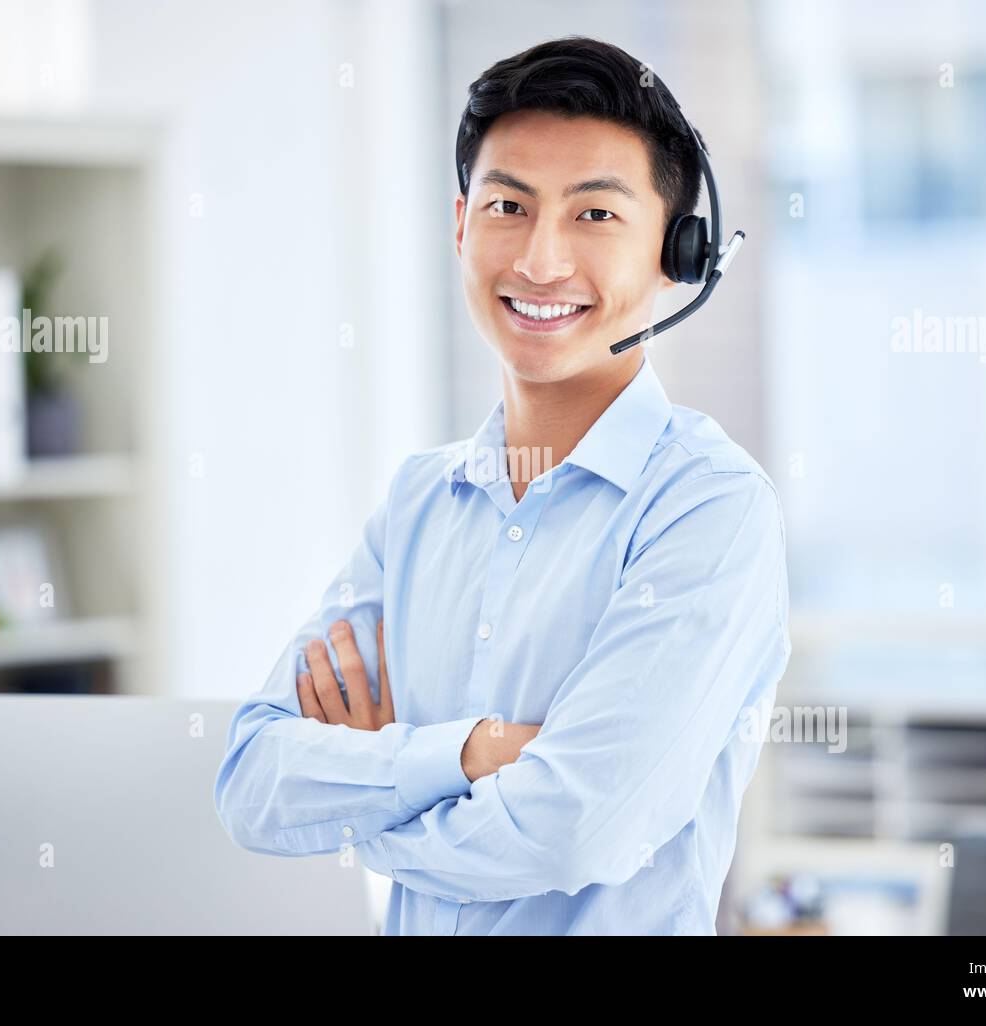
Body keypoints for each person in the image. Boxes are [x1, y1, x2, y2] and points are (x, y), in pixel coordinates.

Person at [214, 35, 790, 935]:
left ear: (676, 253)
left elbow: (574, 831)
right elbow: (253, 781)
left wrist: (372, 796)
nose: (540, 261)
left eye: (595, 216)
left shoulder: (708, 509)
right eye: (509, 206)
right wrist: (474, 754)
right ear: (460, 226)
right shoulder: (419, 505)